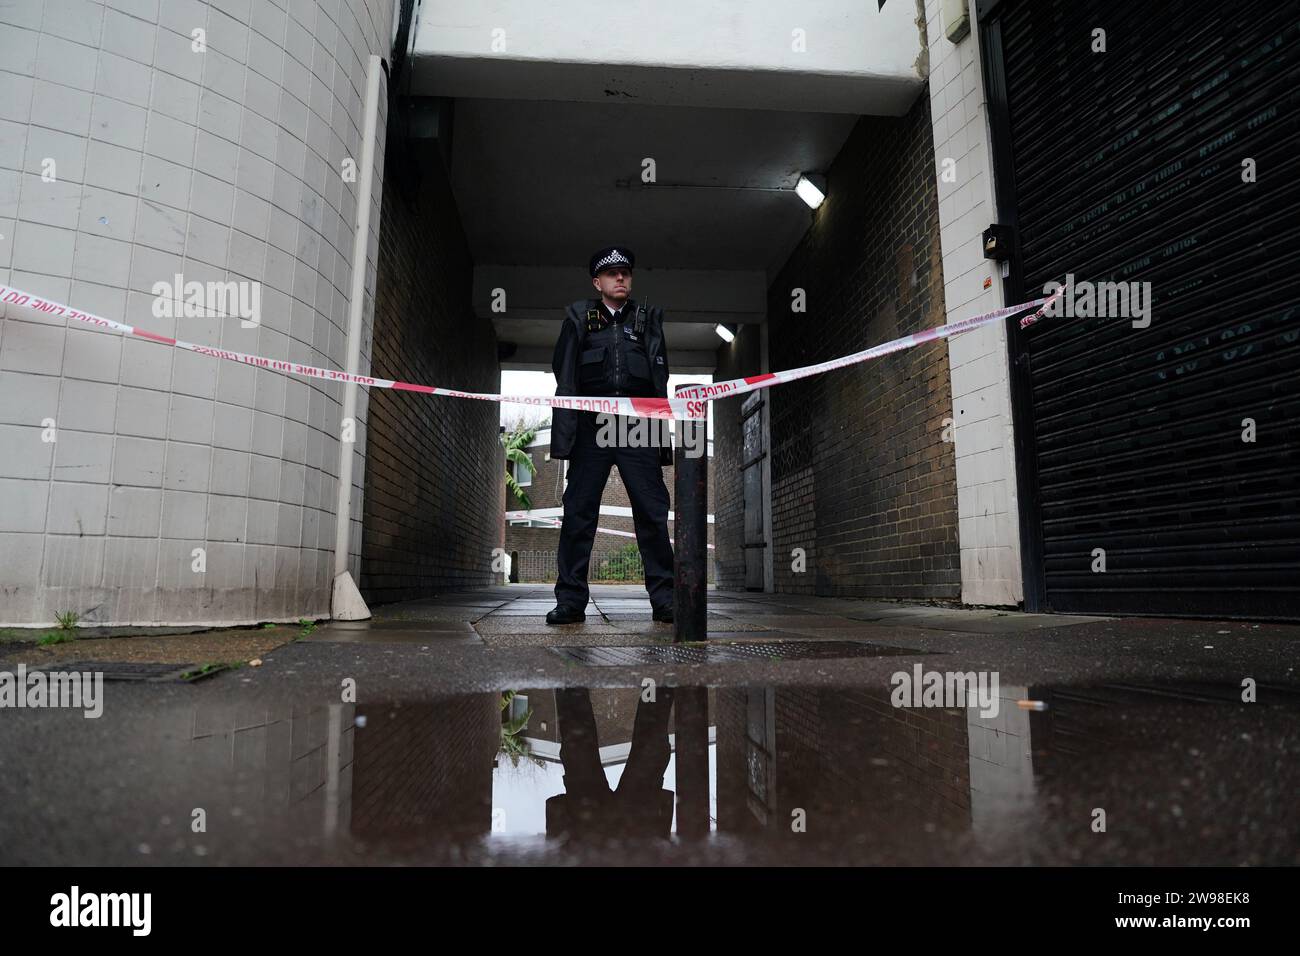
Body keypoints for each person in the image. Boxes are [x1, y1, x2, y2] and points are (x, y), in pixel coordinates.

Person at [545, 246, 675, 625]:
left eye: (626, 274)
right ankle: (570, 601)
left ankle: (665, 600)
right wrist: (567, 431)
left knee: (652, 512)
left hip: (637, 425)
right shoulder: (578, 318)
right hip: (593, 426)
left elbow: (659, 378)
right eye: (613, 274)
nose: (621, 279)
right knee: (578, 513)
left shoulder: (647, 319)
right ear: (597, 282)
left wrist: (658, 430)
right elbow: (564, 372)